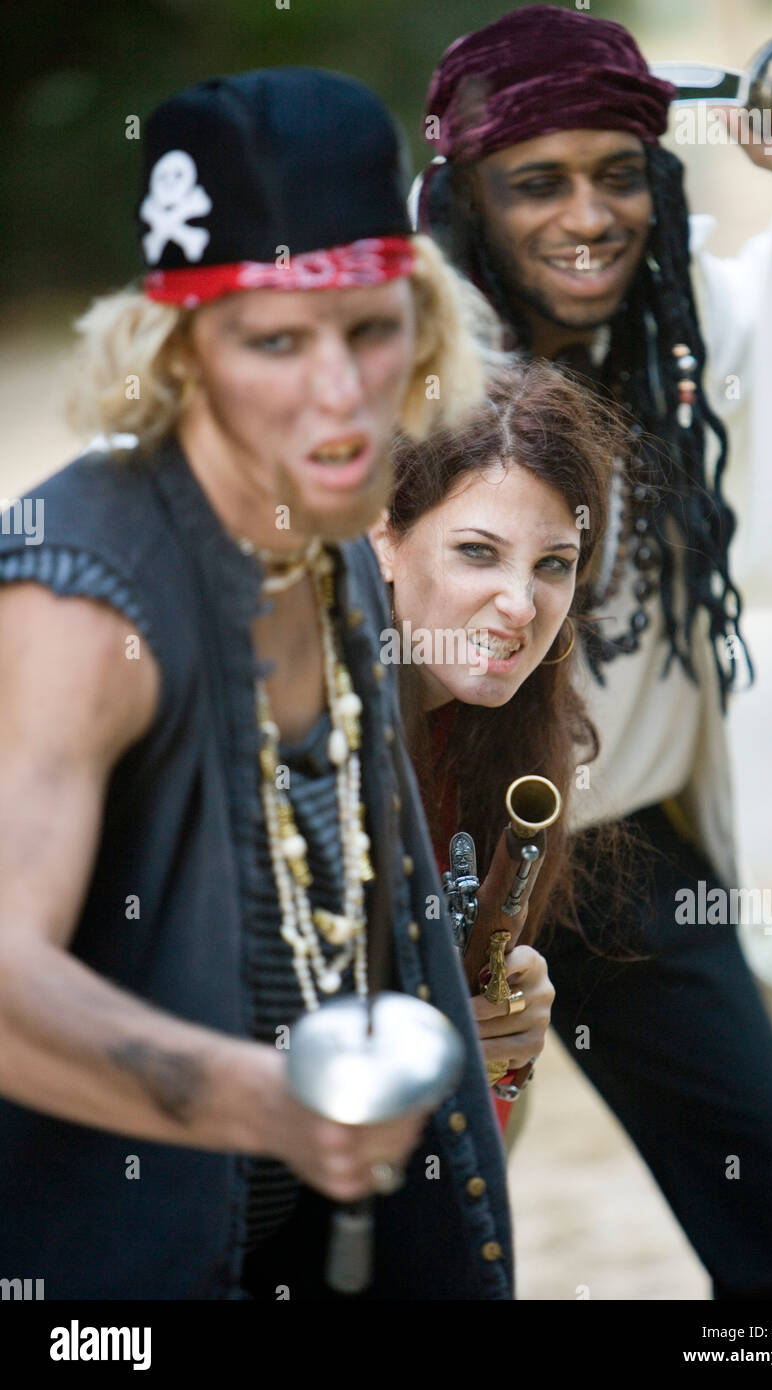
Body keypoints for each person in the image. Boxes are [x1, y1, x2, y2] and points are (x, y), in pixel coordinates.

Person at [0, 66, 514, 1301]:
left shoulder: (322, 534)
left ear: (424, 320)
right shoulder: (82, 598)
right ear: (180, 354)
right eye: (274, 341)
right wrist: (271, 1101)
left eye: (370, 328)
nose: (338, 397)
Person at [416, 5, 772, 1299]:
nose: (589, 213)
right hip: (429, 845)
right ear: (466, 195)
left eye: (619, 172)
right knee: (424, 1220)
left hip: (622, 848)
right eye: (537, 182)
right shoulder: (405, 363)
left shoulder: (680, 329)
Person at [372, 358, 625, 1130]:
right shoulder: (291, 726)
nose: (520, 605)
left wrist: (508, 1021)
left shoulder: (499, 737)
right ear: (383, 534)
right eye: (477, 552)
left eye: (554, 565)